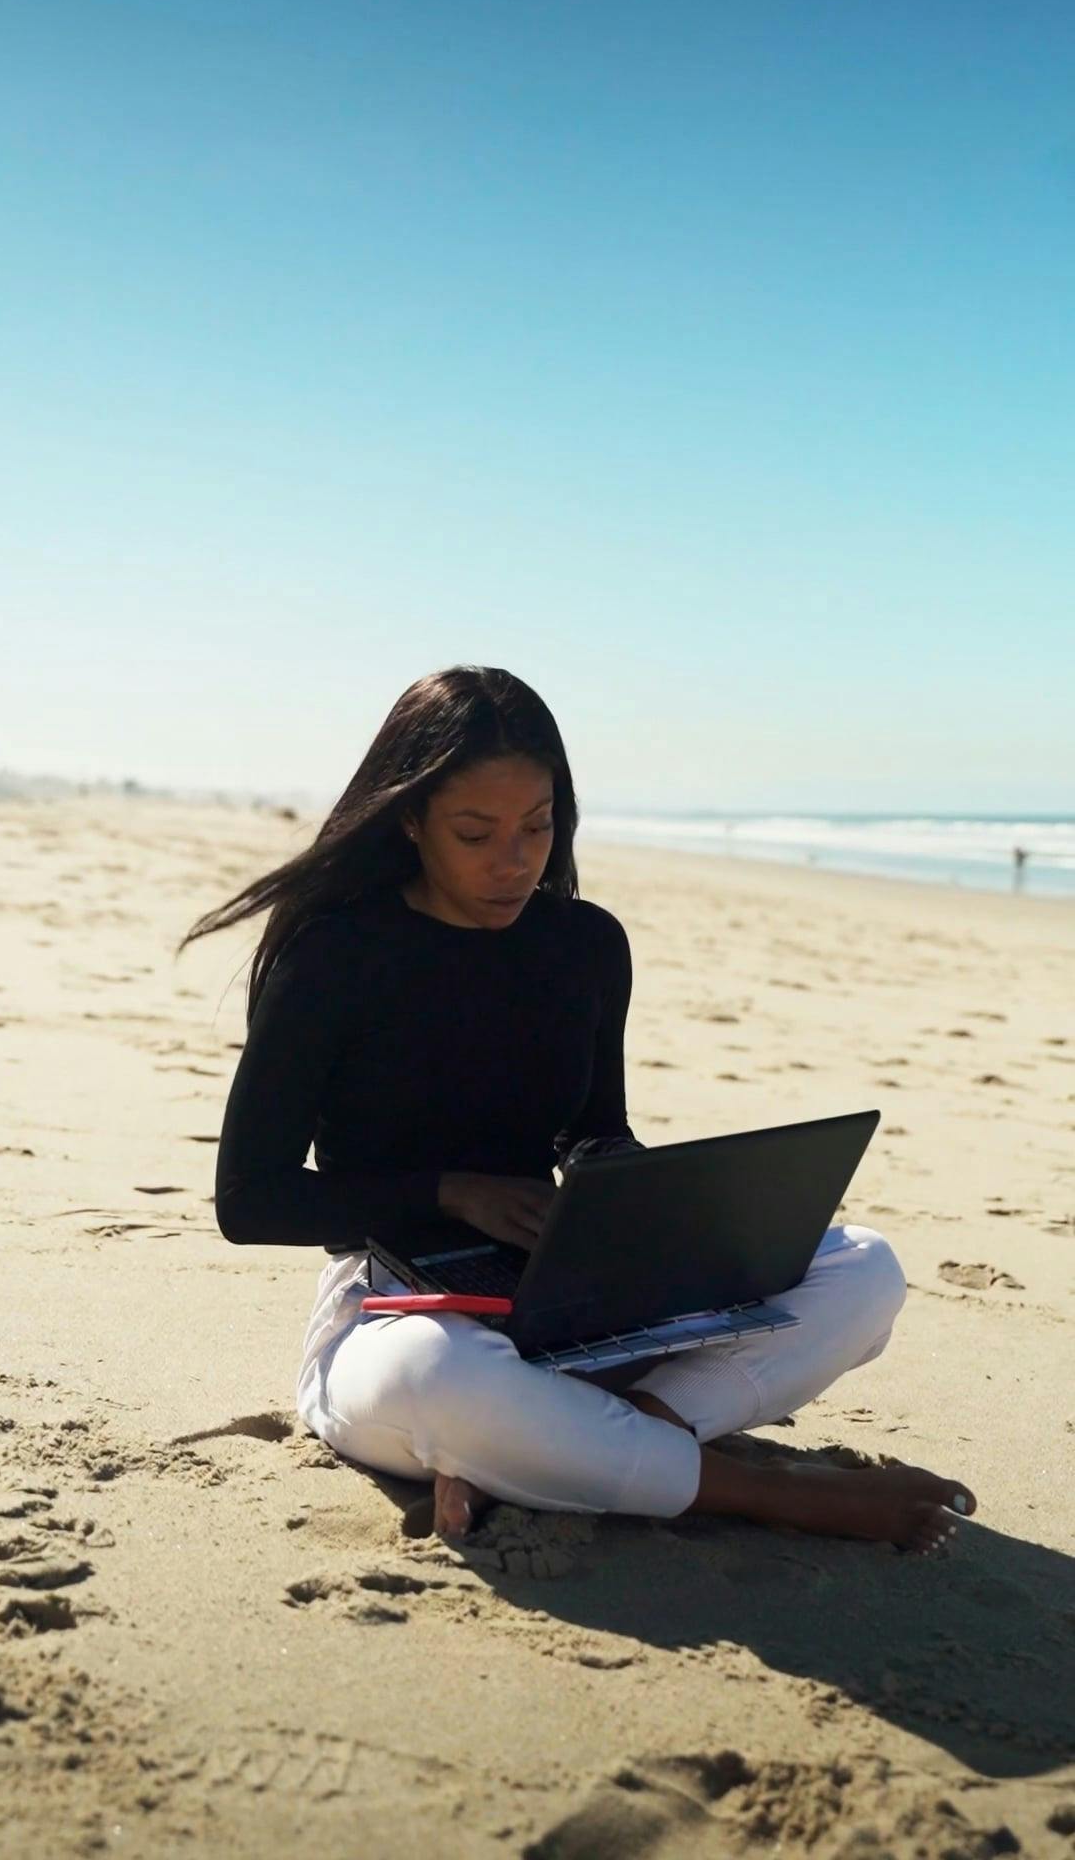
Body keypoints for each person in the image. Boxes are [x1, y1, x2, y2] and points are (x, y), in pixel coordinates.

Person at [180, 665, 976, 1555]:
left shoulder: (585, 944)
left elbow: (593, 1128)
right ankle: (765, 1490)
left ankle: (605, 1436)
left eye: (537, 826)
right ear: (410, 820)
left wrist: (637, 1196)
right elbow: (251, 1201)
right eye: (476, 833)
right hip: (403, 1307)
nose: (514, 860)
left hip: (573, 1294)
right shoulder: (332, 957)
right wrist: (454, 1194)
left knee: (865, 1268)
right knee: (443, 1381)